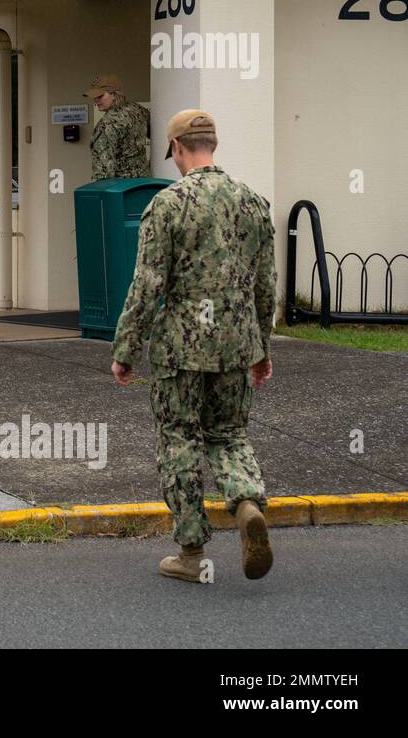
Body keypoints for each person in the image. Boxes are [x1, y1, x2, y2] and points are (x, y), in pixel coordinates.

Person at [111, 109, 276, 584]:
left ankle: (190, 552)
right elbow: (266, 285)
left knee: (179, 439)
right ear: (213, 145)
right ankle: (246, 504)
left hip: (180, 349)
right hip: (237, 343)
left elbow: (147, 284)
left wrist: (126, 348)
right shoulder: (253, 203)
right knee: (228, 433)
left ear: (178, 149)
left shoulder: (168, 205)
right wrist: (261, 347)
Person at [85, 73, 150, 180]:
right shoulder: (138, 110)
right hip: (143, 183)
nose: (96, 100)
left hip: (120, 188)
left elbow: (103, 171)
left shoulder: (107, 124)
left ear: (114, 95)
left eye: (100, 96)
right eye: (94, 97)